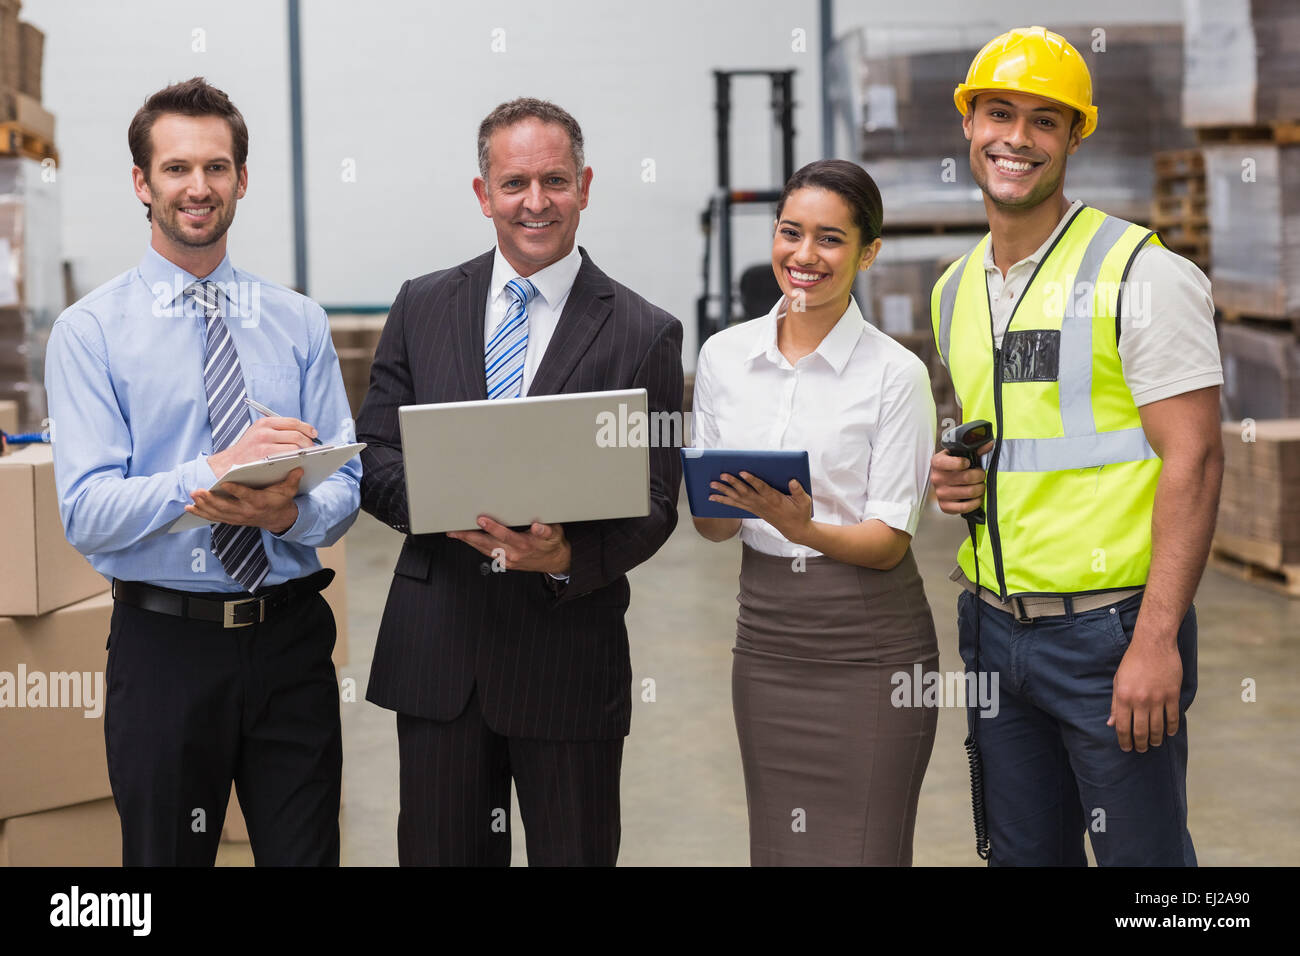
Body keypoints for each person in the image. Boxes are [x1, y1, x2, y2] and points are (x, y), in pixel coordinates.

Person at [357, 98, 683, 866]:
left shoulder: (644, 333)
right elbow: (372, 450)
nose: (535, 202)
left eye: (555, 181)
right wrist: (443, 503)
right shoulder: (422, 303)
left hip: (566, 662)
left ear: (586, 185)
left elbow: (658, 500)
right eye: (514, 184)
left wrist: (564, 557)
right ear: (483, 194)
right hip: (440, 659)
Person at [44, 77, 360, 866]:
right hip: (166, 652)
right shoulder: (90, 334)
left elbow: (347, 487)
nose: (198, 187)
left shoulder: (297, 322)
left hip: (289, 641)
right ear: (141, 183)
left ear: (241, 181)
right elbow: (88, 513)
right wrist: (212, 476)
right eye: (177, 168)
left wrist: (284, 515)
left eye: (217, 168)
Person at [928, 27, 1223, 866]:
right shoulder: (955, 289)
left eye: (1043, 121)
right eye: (998, 113)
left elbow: (1195, 460)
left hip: (1110, 635)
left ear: (1073, 136)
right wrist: (962, 481)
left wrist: (1156, 639)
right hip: (992, 627)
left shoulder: (1140, 273)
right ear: (969, 125)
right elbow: (1021, 441)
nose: (1015, 138)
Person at [691, 159, 939, 866]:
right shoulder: (724, 357)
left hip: (870, 648)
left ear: (868, 252)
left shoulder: (896, 374)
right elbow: (714, 527)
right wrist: (717, 503)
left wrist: (801, 527)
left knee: (866, 851)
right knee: (779, 850)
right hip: (766, 642)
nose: (804, 256)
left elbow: (890, 540)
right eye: (790, 233)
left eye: (830, 240)